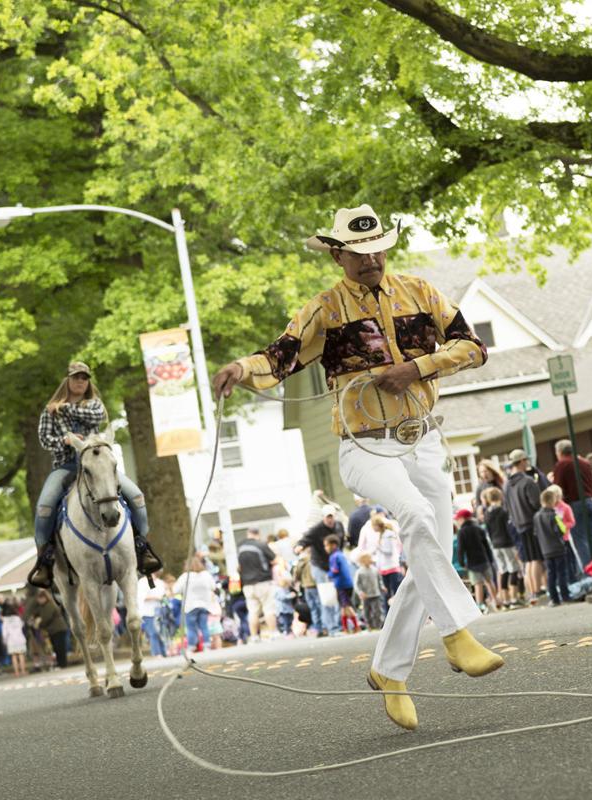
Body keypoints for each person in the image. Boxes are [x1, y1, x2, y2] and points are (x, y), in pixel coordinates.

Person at [213, 203, 503, 730]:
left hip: (425, 441)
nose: (371, 260)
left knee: (429, 554)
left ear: (386, 247)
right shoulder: (324, 310)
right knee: (414, 518)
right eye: (358, 253)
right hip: (365, 446)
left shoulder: (423, 292)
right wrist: (240, 367)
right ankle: (458, 635)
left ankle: (390, 672)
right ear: (338, 255)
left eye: (377, 249)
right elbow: (279, 357)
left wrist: (417, 367)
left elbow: (475, 348)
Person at [28, 361, 161, 588]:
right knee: (44, 507)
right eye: (76, 377)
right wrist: (65, 440)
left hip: (97, 467)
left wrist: (61, 408)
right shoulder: (48, 411)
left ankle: (142, 547)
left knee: (136, 496)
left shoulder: (94, 405)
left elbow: (94, 418)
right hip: (65, 466)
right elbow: (44, 439)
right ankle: (45, 560)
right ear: (67, 380)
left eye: (84, 378)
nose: (80, 382)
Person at [552, 439, 592, 567]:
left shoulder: (562, 465)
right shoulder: (584, 463)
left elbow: (558, 488)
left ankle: (589, 572)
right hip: (590, 501)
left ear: (559, 452)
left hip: (575, 504)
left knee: (580, 540)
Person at [505, 448, 546, 605]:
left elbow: (507, 507)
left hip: (518, 526)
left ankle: (531, 592)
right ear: (522, 461)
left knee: (528, 560)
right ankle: (537, 592)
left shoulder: (507, 485)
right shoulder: (528, 482)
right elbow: (536, 503)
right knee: (535, 558)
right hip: (531, 523)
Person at [297, 508, 343, 636]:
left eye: (332, 517)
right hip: (320, 565)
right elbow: (306, 538)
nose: (330, 520)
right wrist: (300, 546)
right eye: (328, 517)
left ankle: (339, 624)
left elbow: (342, 541)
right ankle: (332, 627)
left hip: (335, 562)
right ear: (323, 517)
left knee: (339, 595)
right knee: (327, 597)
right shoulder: (317, 529)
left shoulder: (338, 526)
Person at [237, 528, 279, 641]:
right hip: (263, 581)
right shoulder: (261, 545)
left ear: (248, 534)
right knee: (268, 608)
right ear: (258, 534)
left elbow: (238, 567)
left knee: (252, 611)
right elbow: (275, 560)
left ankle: (254, 636)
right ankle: (273, 633)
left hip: (247, 584)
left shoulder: (240, 547)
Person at [483, 487, 522, 608]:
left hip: (495, 545)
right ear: (500, 497)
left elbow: (488, 531)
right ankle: (514, 598)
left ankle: (505, 599)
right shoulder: (503, 512)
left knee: (503, 570)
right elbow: (509, 529)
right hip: (506, 543)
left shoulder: (487, 513)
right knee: (513, 569)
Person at [454, 508, 499, 612]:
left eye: (458, 519)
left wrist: (461, 562)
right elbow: (486, 545)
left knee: (478, 584)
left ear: (463, 519)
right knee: (489, 581)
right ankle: (496, 601)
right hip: (484, 559)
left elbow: (461, 549)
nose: (457, 521)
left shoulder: (462, 532)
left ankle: (480, 604)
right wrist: (490, 558)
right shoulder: (478, 529)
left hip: (472, 562)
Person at [534, 487, 572, 607]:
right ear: (552, 502)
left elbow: (535, 533)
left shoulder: (536, 517)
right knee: (561, 573)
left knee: (551, 574)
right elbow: (561, 530)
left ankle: (554, 598)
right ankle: (565, 596)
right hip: (558, 548)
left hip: (545, 549)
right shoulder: (554, 516)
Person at [174, 554, 217, 652]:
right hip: (204, 604)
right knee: (204, 625)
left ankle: (192, 646)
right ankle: (207, 645)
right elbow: (213, 587)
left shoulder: (185, 576)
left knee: (191, 627)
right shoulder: (206, 575)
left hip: (190, 605)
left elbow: (175, 589)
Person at [324, 534, 358, 633]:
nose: (325, 548)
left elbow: (335, 570)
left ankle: (356, 626)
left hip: (341, 584)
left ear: (333, 545)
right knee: (343, 607)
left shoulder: (334, 557)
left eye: (326, 545)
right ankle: (345, 628)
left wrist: (329, 574)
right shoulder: (341, 554)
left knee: (346, 606)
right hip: (347, 583)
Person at [28, 588, 70, 668]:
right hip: (53, 630)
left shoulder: (50, 605)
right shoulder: (42, 606)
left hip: (58, 629)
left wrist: (37, 624)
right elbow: (36, 613)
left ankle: (62, 664)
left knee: (59, 647)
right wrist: (34, 617)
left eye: (40, 598)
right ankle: (60, 663)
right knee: (56, 648)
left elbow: (46, 618)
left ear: (44, 597)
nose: (38, 601)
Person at [138, 573, 168, 658]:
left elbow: (164, 595)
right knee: (153, 633)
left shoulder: (160, 582)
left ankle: (164, 652)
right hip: (147, 612)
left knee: (161, 633)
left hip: (160, 611)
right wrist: (156, 597)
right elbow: (142, 597)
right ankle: (157, 653)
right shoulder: (142, 582)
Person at [354, 553, 385, 630]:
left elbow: (379, 580)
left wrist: (382, 587)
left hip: (375, 594)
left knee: (377, 611)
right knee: (366, 612)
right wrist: (360, 592)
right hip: (365, 596)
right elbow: (357, 584)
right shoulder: (359, 572)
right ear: (363, 561)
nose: (371, 560)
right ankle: (369, 625)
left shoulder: (375, 570)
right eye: (369, 558)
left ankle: (377, 625)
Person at [1, 602, 28, 677]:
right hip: (19, 639)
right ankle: (23, 671)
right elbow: (22, 626)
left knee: (14, 656)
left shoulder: (5, 621)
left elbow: (4, 632)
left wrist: (4, 641)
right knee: (21, 655)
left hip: (11, 640)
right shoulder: (17, 618)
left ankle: (17, 672)